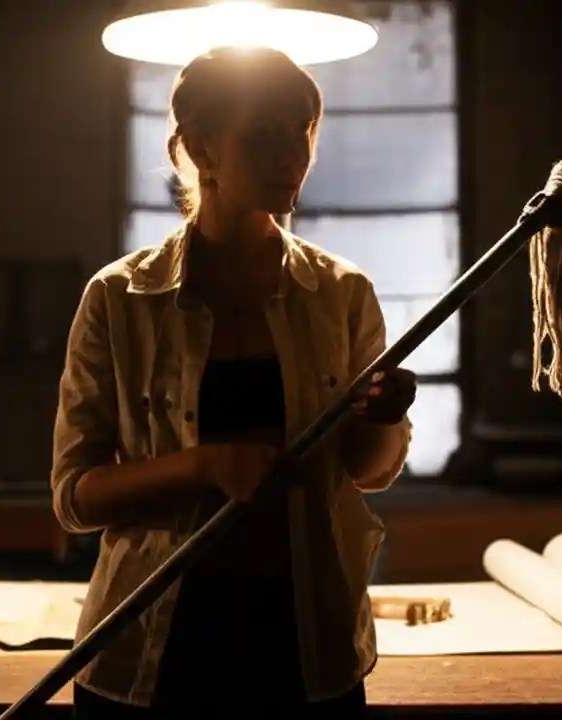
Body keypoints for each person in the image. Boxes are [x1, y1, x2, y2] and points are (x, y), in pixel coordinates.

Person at [51, 46, 416, 719]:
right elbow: (75, 497)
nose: (292, 155)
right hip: (152, 652)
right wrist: (205, 466)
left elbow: (366, 471)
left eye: (302, 130)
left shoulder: (340, 294)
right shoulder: (121, 298)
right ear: (201, 148)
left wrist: (383, 416)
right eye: (265, 134)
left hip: (306, 646)